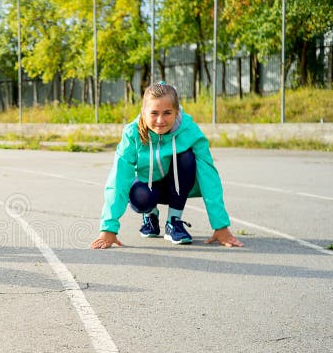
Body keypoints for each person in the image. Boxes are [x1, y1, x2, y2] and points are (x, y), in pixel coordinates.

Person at [91, 82, 243, 249]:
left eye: (167, 113)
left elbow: (209, 176)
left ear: (177, 112)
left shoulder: (190, 131)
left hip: (177, 187)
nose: (160, 120)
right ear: (143, 112)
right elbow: (118, 180)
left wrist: (220, 226)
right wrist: (108, 228)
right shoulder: (132, 134)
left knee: (186, 157)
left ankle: (174, 222)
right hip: (146, 187)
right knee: (141, 196)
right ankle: (150, 216)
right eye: (154, 113)